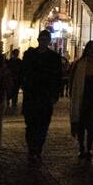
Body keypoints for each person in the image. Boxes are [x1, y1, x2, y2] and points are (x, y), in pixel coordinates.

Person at [20, 30, 64, 163]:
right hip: (31, 95)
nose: (43, 42)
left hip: (45, 96)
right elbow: (24, 72)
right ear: (39, 40)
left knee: (43, 125)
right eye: (42, 39)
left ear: (48, 41)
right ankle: (31, 149)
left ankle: (37, 149)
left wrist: (55, 94)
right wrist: (24, 86)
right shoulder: (29, 54)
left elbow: (57, 77)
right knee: (30, 124)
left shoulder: (54, 58)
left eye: (46, 40)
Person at [69, 40, 93, 159]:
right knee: (81, 124)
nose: (92, 52)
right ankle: (81, 147)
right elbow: (74, 81)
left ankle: (89, 148)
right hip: (82, 96)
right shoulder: (80, 64)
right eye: (90, 49)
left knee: (92, 125)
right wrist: (72, 94)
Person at [6, 47, 23, 112]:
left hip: (16, 79)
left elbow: (21, 70)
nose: (17, 54)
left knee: (15, 92)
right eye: (16, 53)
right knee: (10, 91)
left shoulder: (18, 61)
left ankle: (13, 104)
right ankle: (9, 104)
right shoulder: (10, 61)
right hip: (11, 78)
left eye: (17, 53)